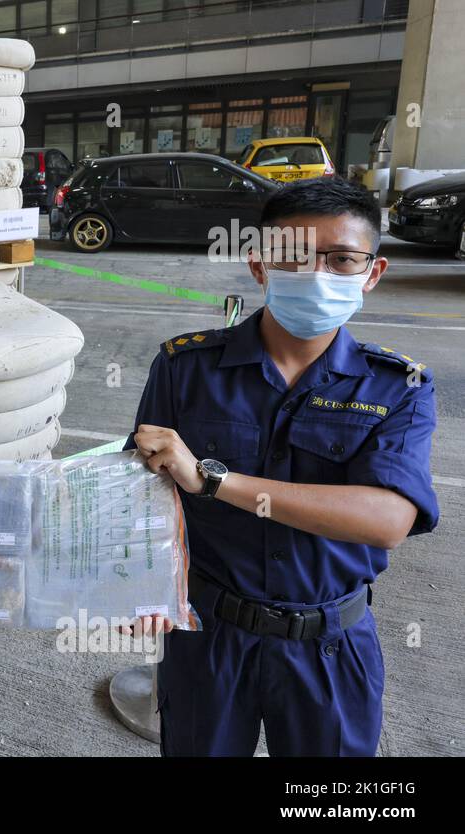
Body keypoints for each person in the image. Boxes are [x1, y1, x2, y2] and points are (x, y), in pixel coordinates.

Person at [126, 178, 439, 756]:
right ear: (259, 266)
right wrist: (130, 591)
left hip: (330, 646)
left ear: (372, 272)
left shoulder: (400, 386)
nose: (317, 273)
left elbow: (386, 520)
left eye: (341, 258)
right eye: (293, 255)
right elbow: (139, 494)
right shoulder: (185, 367)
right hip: (207, 637)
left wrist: (214, 479)